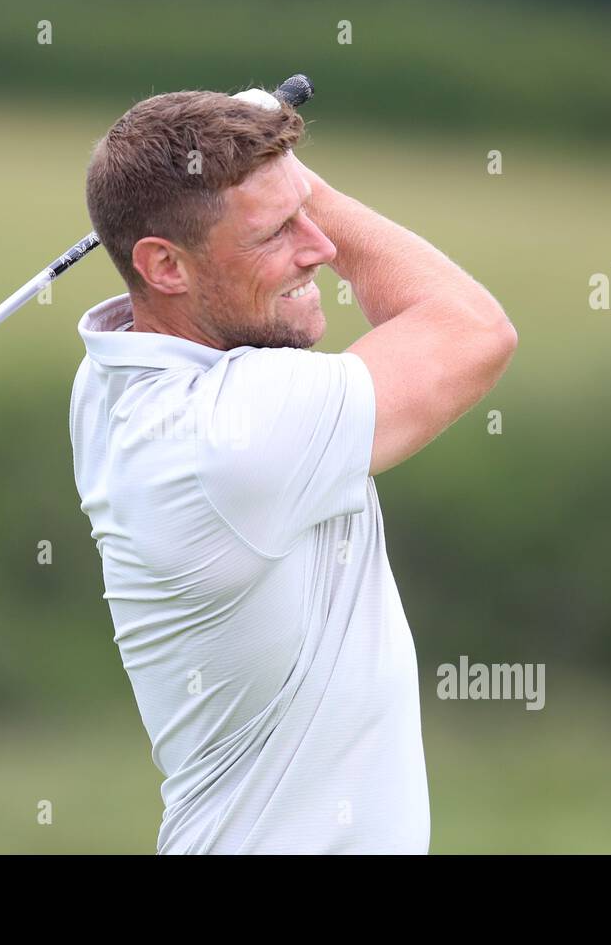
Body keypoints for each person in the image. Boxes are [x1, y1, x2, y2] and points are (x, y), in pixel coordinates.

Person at [68, 88, 516, 854]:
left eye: (306, 213)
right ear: (163, 265)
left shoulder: (110, 376)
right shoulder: (233, 433)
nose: (319, 246)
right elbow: (475, 331)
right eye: (279, 229)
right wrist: (312, 184)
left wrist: (262, 169)